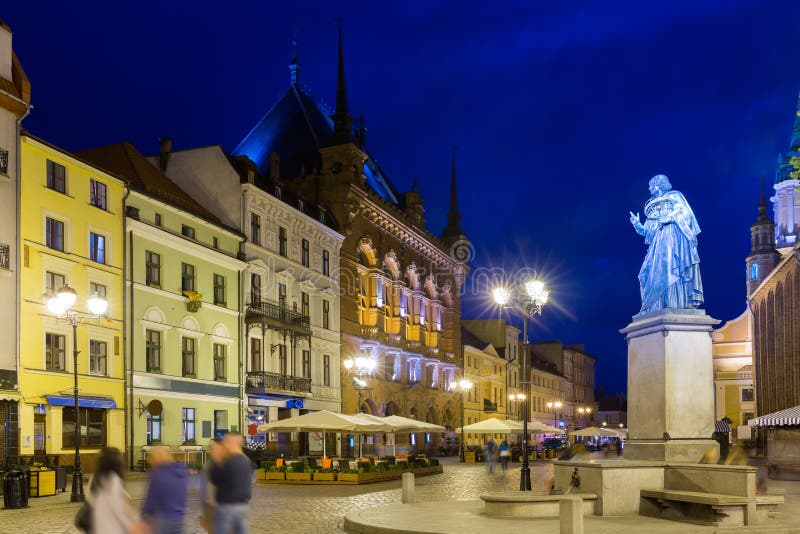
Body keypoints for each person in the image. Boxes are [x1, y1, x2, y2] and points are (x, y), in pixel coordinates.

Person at [629, 174, 703, 314]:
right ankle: (655, 305)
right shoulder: (652, 211)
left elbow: (685, 214)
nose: (649, 188)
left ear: (658, 185)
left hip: (672, 238)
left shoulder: (675, 196)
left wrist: (668, 218)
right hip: (657, 243)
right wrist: (637, 224)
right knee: (645, 273)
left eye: (651, 185)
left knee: (670, 266)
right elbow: (647, 231)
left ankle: (674, 302)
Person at [210, 432, 253, 534]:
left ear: (232, 443)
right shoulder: (246, 460)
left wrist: (216, 459)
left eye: (226, 441)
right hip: (243, 506)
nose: (224, 444)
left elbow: (215, 479)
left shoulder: (229, 461)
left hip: (227, 507)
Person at [141, 445, 189, 534]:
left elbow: (151, 501)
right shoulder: (182, 471)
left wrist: (144, 518)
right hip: (179, 520)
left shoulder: (158, 474)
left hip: (162, 522)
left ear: (157, 458)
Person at [88, 447, 135, 534]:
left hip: (99, 526)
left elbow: (91, 501)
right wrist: (130, 525)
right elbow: (117, 508)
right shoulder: (113, 479)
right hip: (113, 528)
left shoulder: (94, 478)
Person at [200, 439, 225, 533]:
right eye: (212, 448)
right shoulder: (207, 466)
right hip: (209, 508)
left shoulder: (228, 465)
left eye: (216, 448)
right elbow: (204, 489)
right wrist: (203, 512)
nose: (213, 450)